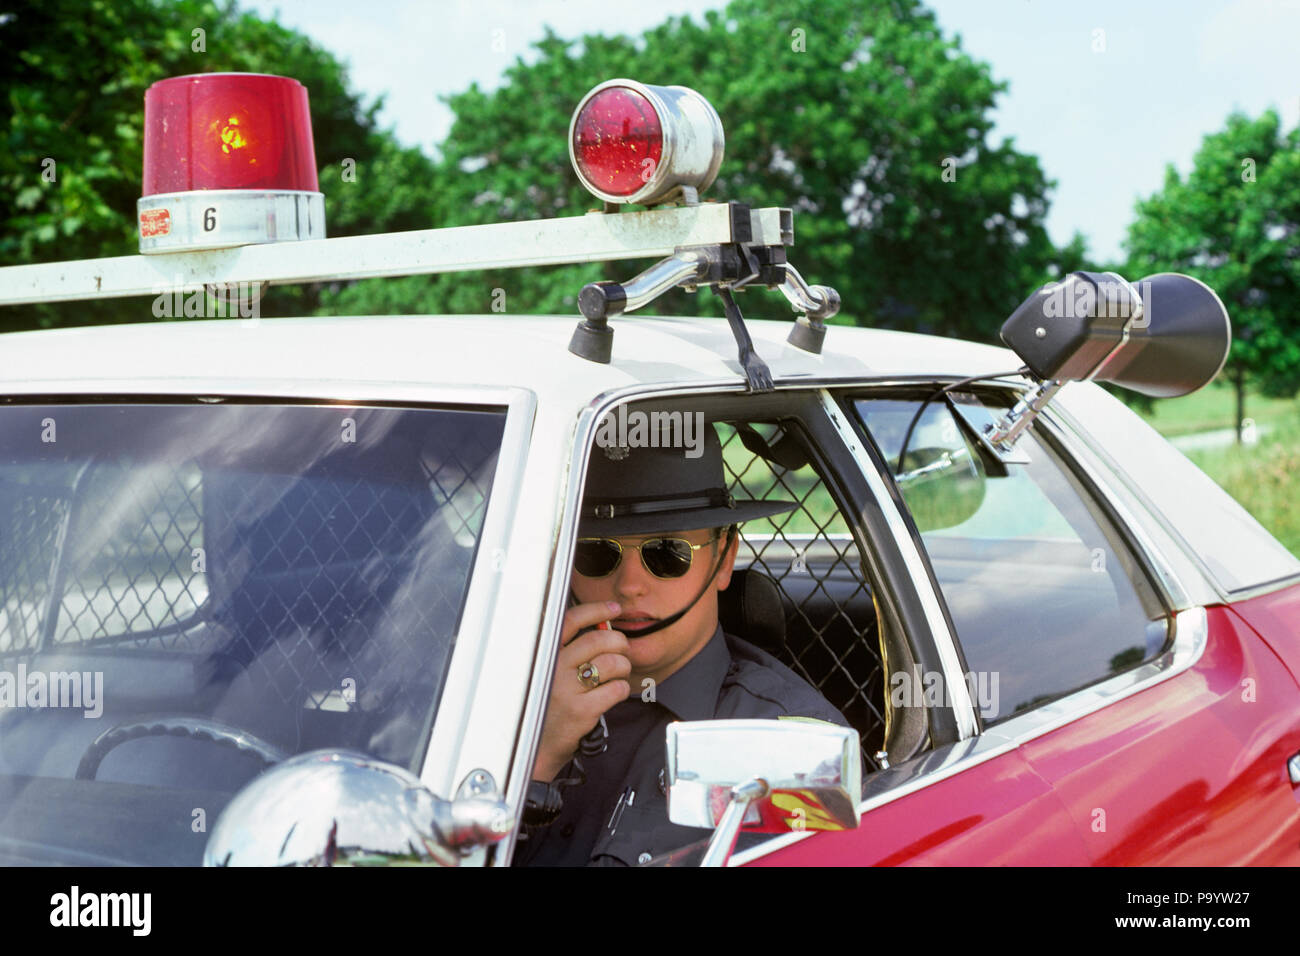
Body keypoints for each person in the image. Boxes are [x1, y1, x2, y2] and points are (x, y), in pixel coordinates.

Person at [513, 421, 849, 867]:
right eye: (597, 552)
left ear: (724, 557)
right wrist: (536, 760)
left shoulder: (792, 743)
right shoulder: (502, 697)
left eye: (666, 552)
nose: (629, 585)